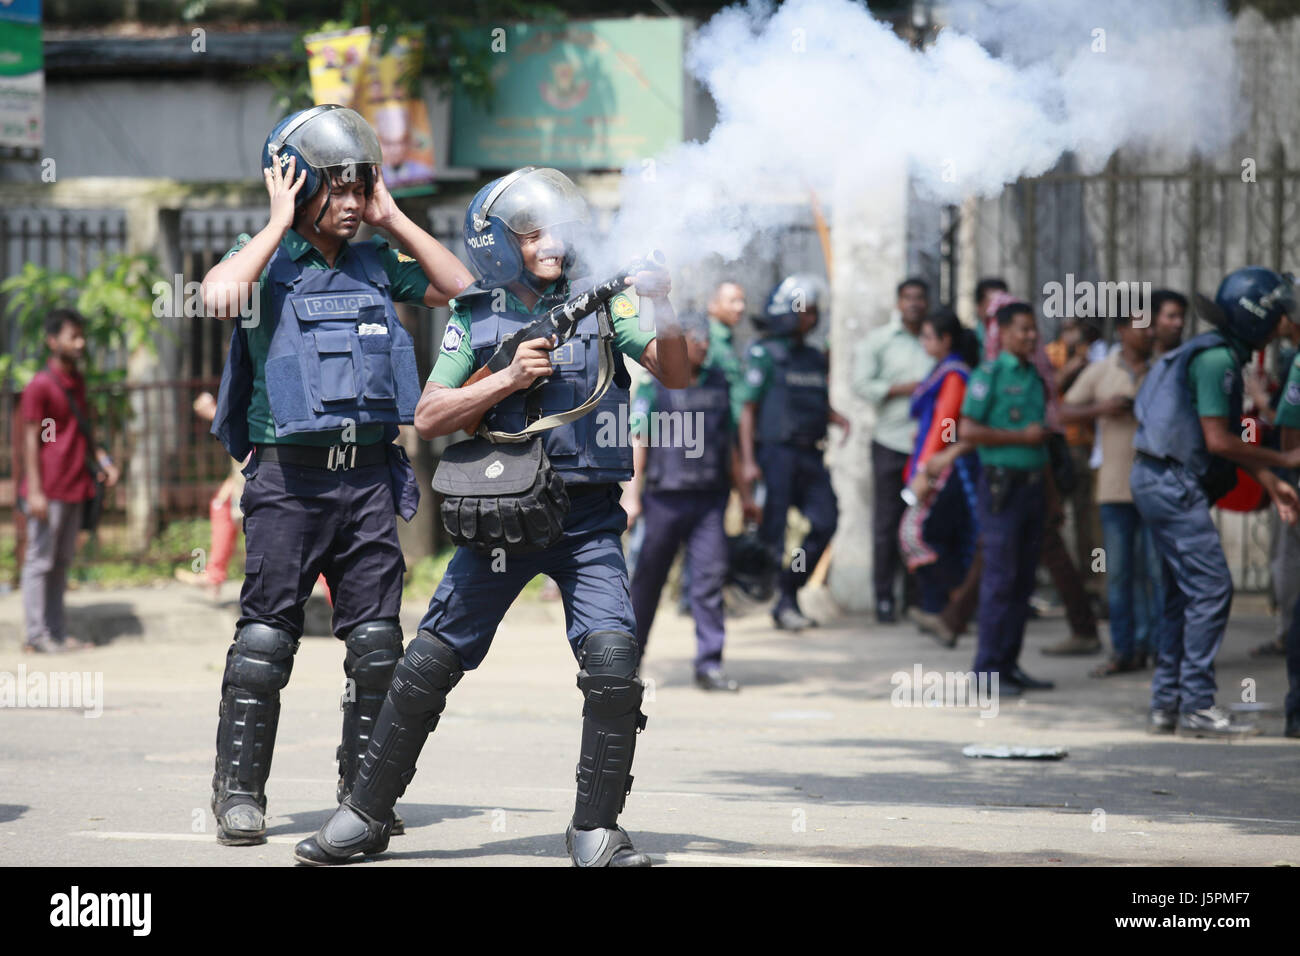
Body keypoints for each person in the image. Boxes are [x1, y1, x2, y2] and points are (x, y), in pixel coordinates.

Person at [294, 165, 689, 867]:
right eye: (532, 234)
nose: (550, 246)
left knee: (614, 662)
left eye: (557, 233)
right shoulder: (475, 315)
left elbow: (677, 369)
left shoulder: (608, 305)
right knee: (429, 662)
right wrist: (507, 377)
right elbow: (429, 413)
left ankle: (595, 827)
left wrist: (670, 304)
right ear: (502, 242)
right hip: (502, 521)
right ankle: (363, 814)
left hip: (589, 521)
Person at [201, 105, 472, 846]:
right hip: (288, 483)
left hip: (366, 484)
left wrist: (394, 219)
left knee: (380, 647)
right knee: (266, 643)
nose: (352, 202)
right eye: (339, 188)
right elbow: (217, 296)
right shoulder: (267, 256)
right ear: (297, 183)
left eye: (361, 186)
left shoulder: (375, 259)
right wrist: (275, 221)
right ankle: (238, 793)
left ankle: (363, 796)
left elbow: (460, 288)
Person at [1132, 266, 1300, 737]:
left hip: (1157, 478)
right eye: (1277, 316)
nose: (1282, 326)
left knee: (1179, 594)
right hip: (1172, 483)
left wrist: (1269, 478)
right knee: (1211, 589)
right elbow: (1219, 441)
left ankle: (1167, 702)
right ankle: (1198, 706)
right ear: (1256, 318)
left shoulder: (1212, 352)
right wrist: (1283, 456)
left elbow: (1220, 443)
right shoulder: (1218, 361)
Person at [624, 323, 759, 691]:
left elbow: (728, 443)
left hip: (709, 501)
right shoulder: (655, 383)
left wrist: (745, 497)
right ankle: (628, 664)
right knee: (647, 582)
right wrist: (631, 496)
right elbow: (640, 438)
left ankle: (709, 665)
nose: (701, 344)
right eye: (693, 339)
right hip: (664, 499)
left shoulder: (719, 384)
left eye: (704, 339)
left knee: (709, 581)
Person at [737, 274, 848, 631]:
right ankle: (777, 600)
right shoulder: (764, 353)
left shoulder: (815, 358)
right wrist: (749, 461)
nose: (811, 318)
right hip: (776, 455)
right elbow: (748, 409)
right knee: (775, 532)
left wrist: (838, 419)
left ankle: (790, 586)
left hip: (811, 455)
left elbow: (815, 401)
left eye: (815, 311)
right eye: (806, 310)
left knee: (826, 521)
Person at [959, 300, 1055, 696]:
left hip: (1033, 487)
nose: (1031, 336)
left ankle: (1008, 664)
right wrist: (1020, 438)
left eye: (1034, 329)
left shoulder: (1035, 376)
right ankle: (985, 671)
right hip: (1002, 487)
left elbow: (1043, 438)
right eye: (1023, 329)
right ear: (1002, 333)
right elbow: (967, 430)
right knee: (999, 579)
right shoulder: (989, 375)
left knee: (1022, 582)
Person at [1061, 312, 1160, 676]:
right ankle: (1124, 649)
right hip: (1114, 488)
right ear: (1122, 330)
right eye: (1141, 325)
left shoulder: (1163, 369)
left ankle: (1159, 648)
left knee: (1156, 573)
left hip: (1156, 489)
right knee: (1116, 573)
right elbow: (1063, 409)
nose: (1149, 332)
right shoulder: (1102, 370)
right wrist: (1101, 409)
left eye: (1152, 325)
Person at [18, 308, 120, 654]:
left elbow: (84, 427)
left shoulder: (75, 380)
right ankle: (37, 635)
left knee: (61, 562)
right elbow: (31, 438)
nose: (81, 343)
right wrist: (34, 490)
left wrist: (103, 459)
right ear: (52, 340)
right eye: (73, 336)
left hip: (75, 484)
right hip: (48, 489)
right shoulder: (40, 385)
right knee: (40, 561)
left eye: (81, 336)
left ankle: (57, 633)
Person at [852, 277, 934, 622]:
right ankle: (884, 598)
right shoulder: (880, 341)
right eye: (908, 298)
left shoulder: (935, 340)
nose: (914, 304)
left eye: (919, 298)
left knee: (920, 523)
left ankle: (915, 600)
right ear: (898, 303)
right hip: (890, 443)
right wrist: (902, 389)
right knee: (887, 523)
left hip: (928, 448)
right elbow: (861, 384)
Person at [897, 308, 981, 646]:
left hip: (947, 469)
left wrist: (927, 468)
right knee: (939, 537)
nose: (924, 342)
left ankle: (951, 602)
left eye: (929, 336)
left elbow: (945, 424)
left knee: (916, 534)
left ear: (946, 340)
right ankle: (944, 606)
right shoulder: (942, 372)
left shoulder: (954, 376)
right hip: (940, 464)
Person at [1149, 289, 1188, 357]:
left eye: (1182, 316)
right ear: (1153, 317)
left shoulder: (1188, 355)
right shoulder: (1140, 358)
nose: (1179, 323)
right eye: (1171, 316)